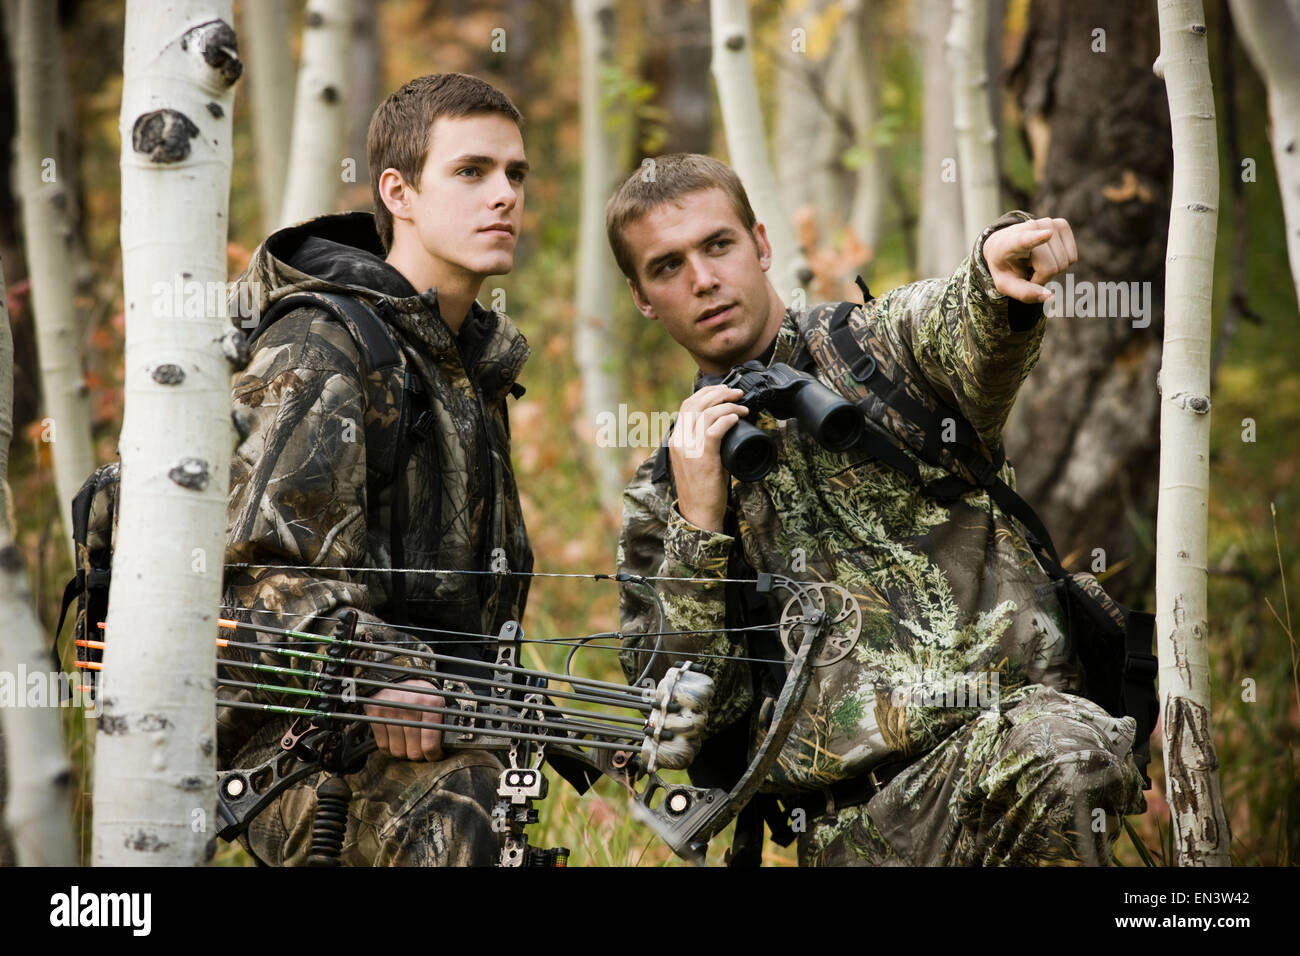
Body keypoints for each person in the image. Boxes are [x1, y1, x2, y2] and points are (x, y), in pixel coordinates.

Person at [609, 153, 1147, 866]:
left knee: (1071, 754)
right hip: (849, 829)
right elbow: (689, 722)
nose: (703, 280)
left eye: (718, 245)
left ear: (761, 245)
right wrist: (699, 527)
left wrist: (995, 274)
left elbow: (960, 322)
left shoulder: (876, 349)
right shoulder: (666, 490)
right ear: (644, 298)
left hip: (1007, 753)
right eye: (667, 266)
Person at [217, 73, 533, 866]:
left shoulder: (470, 368)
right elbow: (253, 578)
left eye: (516, 174)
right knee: (467, 801)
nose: (504, 196)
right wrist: (379, 669)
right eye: (472, 172)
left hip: (427, 749)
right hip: (288, 759)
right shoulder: (327, 345)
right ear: (399, 191)